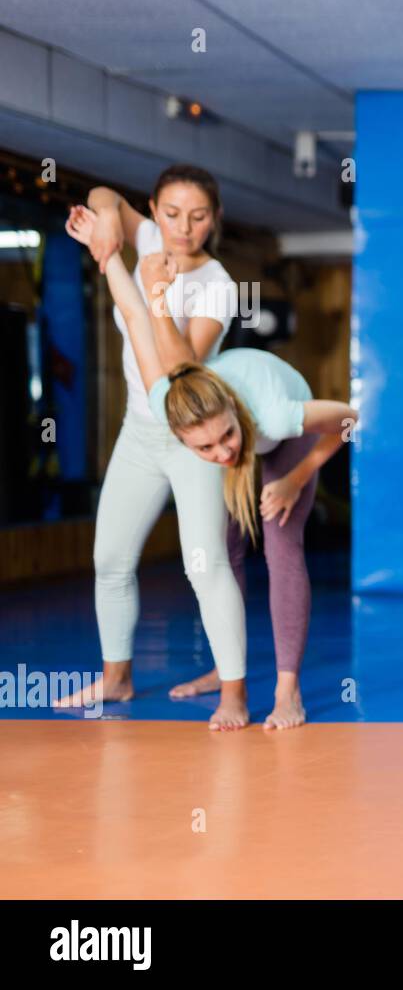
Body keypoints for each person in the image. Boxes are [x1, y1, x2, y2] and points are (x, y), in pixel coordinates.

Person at [65, 205, 357, 730]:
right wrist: (107, 256)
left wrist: (294, 478)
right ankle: (224, 671)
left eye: (225, 437)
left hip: (288, 441)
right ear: (181, 438)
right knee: (220, 548)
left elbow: (349, 420)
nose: (221, 454)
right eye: (204, 450)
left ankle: (286, 691)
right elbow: (135, 317)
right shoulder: (166, 401)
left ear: (231, 413)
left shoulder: (273, 415)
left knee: (279, 538)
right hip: (230, 425)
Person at [53, 166, 248, 730]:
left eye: (198, 216)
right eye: (170, 214)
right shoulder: (144, 239)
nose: (183, 229)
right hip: (139, 432)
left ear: (214, 219)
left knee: (205, 564)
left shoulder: (219, 284)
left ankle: (232, 693)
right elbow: (102, 191)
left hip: (195, 437)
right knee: (109, 561)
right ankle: (116, 677)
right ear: (153, 210)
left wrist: (159, 292)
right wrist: (109, 223)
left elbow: (179, 365)